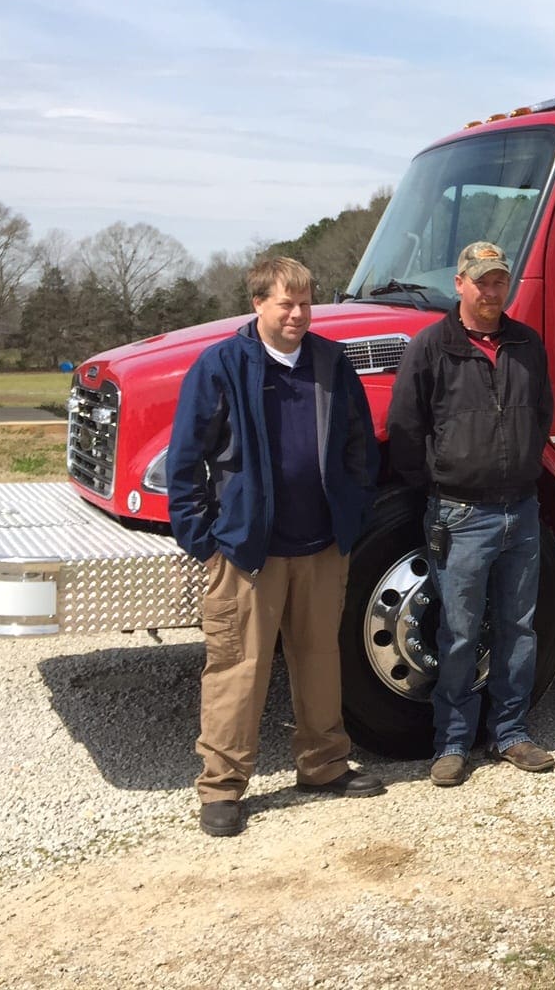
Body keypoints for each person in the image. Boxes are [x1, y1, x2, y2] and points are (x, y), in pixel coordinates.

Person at [168, 256, 382, 838]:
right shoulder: (222, 366)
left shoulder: (331, 363)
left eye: (305, 302)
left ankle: (324, 766)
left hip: (320, 548)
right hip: (246, 553)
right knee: (238, 668)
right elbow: (186, 462)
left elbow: (360, 449)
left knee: (320, 661)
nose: (297, 314)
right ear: (258, 303)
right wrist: (204, 541)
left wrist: (352, 514)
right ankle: (222, 788)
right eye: (285, 303)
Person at [387, 241, 555, 785]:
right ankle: (453, 743)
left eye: (499, 281)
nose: (491, 291)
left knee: (519, 627)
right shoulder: (431, 345)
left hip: (521, 510)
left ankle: (511, 733)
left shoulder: (527, 343)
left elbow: (542, 412)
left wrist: (522, 463)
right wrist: (437, 485)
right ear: (459, 283)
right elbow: (406, 428)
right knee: (458, 632)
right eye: (481, 280)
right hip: (460, 514)